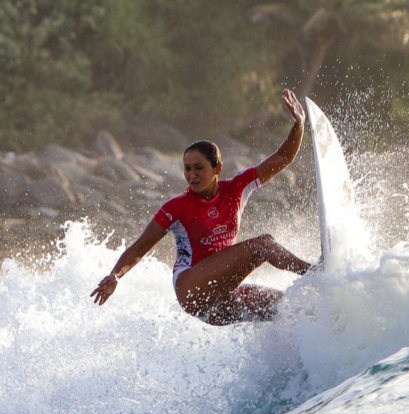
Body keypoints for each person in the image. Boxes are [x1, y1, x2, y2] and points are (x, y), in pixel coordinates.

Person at [91, 88, 313, 326]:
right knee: (264, 245)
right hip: (193, 291)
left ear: (217, 169)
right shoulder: (177, 207)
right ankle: (317, 273)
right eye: (187, 168)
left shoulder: (237, 188)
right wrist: (115, 275)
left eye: (199, 168)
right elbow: (139, 248)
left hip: (222, 297)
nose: (192, 174)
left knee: (289, 309)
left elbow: (282, 158)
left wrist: (298, 126)